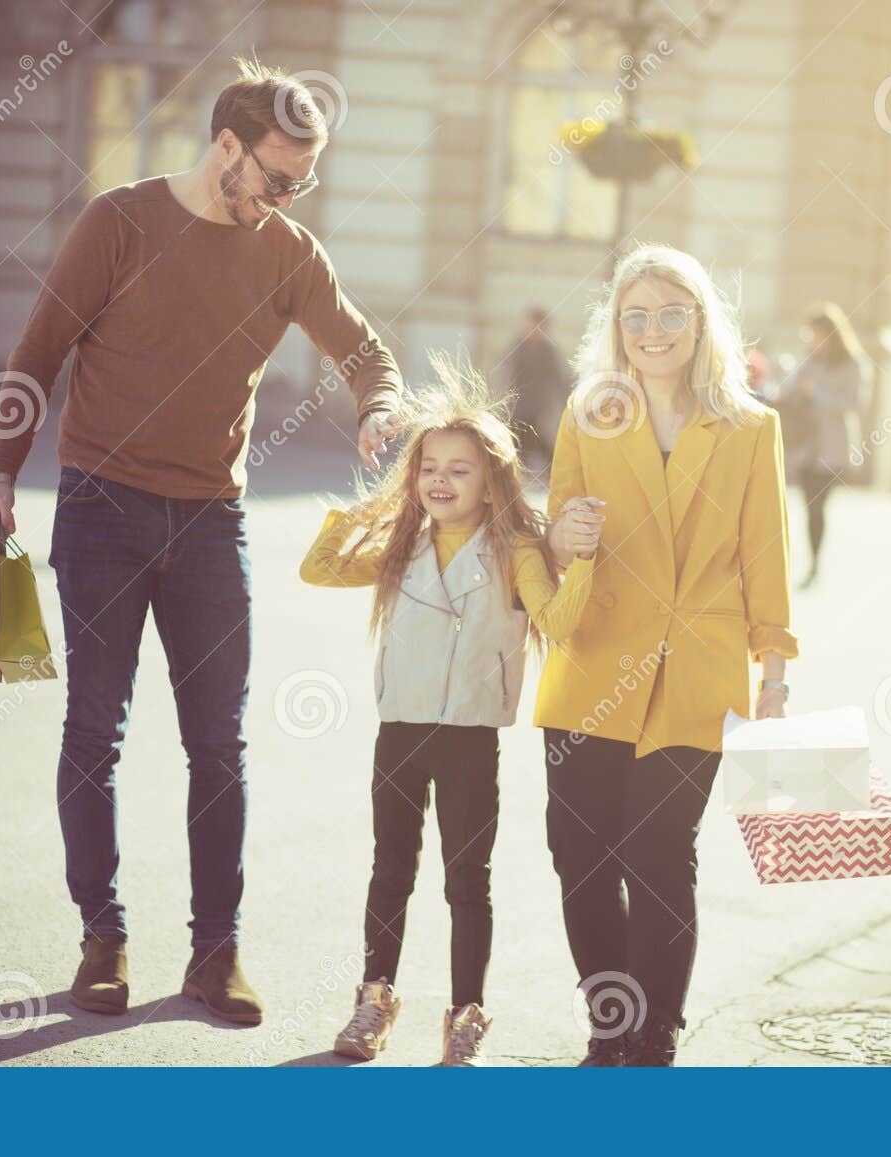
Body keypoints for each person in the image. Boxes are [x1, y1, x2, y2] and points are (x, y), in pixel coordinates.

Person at [0, 59, 404, 1025]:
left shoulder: (287, 251)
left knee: (219, 745)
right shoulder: (119, 223)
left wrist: (378, 405)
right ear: (227, 147)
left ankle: (216, 952)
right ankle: (103, 936)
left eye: (302, 184)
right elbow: (39, 349)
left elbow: (365, 349)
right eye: (278, 178)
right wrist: (1, 470)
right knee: (95, 731)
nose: (287, 198)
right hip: (101, 507)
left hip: (211, 520)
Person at [538, 244, 799, 1067]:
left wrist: (775, 677)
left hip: (695, 674)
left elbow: (766, 554)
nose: (653, 331)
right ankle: (610, 1025)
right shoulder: (588, 413)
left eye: (671, 313)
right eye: (636, 316)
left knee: (656, 854)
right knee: (580, 856)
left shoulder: (750, 428)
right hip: (594, 664)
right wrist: (565, 533)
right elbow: (552, 540)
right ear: (617, 328)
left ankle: (654, 1040)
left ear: (701, 322)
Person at [299, 356, 594, 1065]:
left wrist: (581, 560)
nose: (441, 480)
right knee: (390, 870)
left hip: (469, 740)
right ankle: (375, 1000)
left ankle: (466, 1016)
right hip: (399, 733)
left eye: (460, 470)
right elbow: (320, 567)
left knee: (467, 882)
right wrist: (380, 506)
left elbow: (557, 620)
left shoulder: (516, 549)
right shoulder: (403, 544)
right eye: (429, 467)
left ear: (492, 480)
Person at [785, 303, 870, 588]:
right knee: (809, 505)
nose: (814, 341)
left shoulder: (852, 363)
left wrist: (818, 394)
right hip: (806, 447)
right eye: (810, 335)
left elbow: (854, 403)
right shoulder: (809, 361)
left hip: (833, 448)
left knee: (818, 506)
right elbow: (792, 392)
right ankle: (810, 563)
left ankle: (815, 563)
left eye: (818, 335)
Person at [504, 307, 572, 466]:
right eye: (533, 325)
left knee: (539, 441)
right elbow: (505, 374)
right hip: (517, 406)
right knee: (516, 442)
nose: (535, 330)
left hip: (539, 408)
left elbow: (560, 380)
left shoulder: (549, 351)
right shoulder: (517, 347)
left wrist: (567, 403)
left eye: (540, 326)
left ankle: (553, 468)